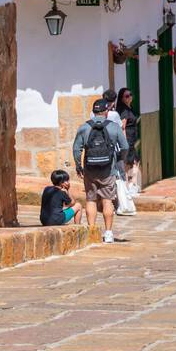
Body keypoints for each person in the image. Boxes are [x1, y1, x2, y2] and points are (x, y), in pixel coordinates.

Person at [72, 97, 128, 243]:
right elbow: (125, 146)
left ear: (93, 111)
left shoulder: (84, 127)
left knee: (91, 199)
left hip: (90, 170)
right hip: (108, 170)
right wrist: (119, 159)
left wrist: (79, 166)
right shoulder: (114, 127)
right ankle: (108, 233)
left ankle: (92, 231)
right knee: (107, 200)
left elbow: (76, 149)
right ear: (107, 112)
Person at [116, 86, 139, 193]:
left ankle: (131, 184)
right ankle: (128, 185)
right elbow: (122, 127)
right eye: (126, 96)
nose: (129, 97)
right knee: (127, 163)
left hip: (131, 139)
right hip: (127, 140)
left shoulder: (129, 108)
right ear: (122, 98)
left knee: (135, 161)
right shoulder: (124, 111)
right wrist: (124, 142)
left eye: (130, 95)